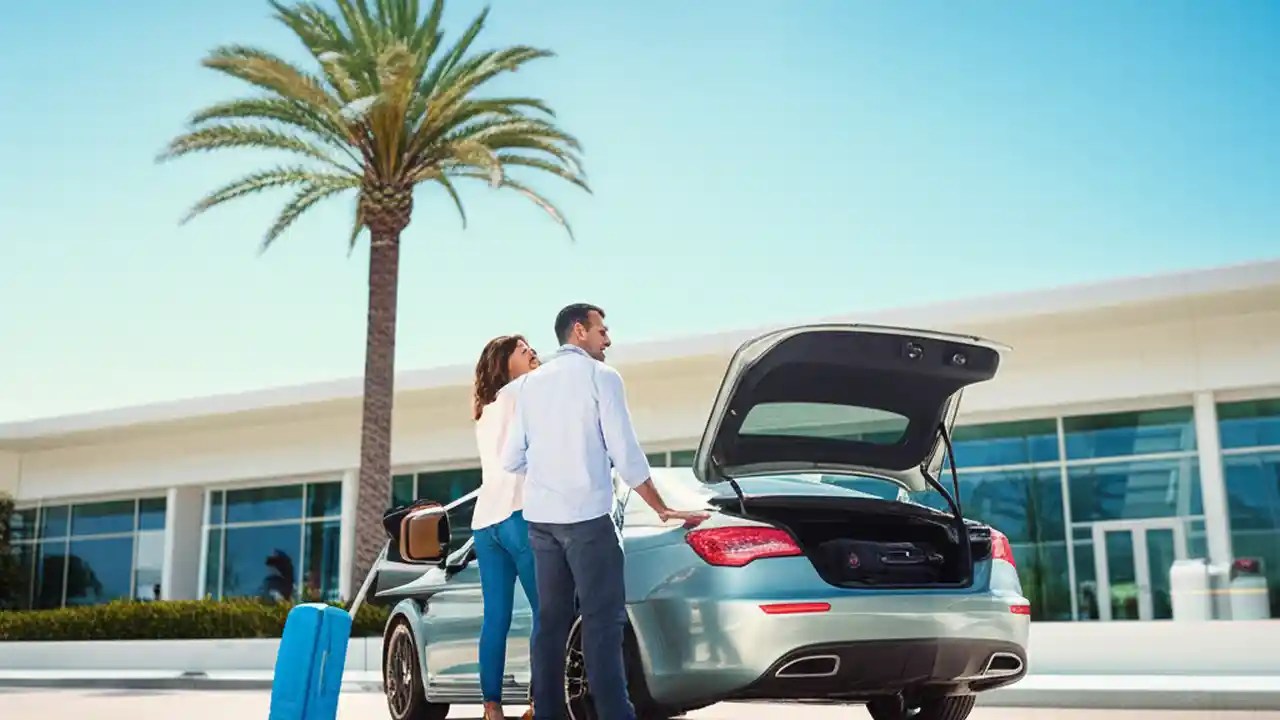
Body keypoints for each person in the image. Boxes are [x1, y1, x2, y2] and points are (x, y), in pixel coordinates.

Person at [501, 303, 710, 720]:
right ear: (579, 331)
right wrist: (662, 508)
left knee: (551, 625)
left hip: (542, 524)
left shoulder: (528, 386)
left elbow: (511, 458)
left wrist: (551, 473)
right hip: (588, 523)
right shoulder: (603, 377)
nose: (608, 340)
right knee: (601, 624)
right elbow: (627, 454)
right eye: (602, 331)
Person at [471, 334, 543, 720]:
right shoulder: (525, 390)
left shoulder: (484, 410)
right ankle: (538, 701)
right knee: (545, 612)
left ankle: (491, 707)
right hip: (518, 513)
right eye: (521, 349)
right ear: (505, 362)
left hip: (485, 522)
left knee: (495, 617)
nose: (531, 351)